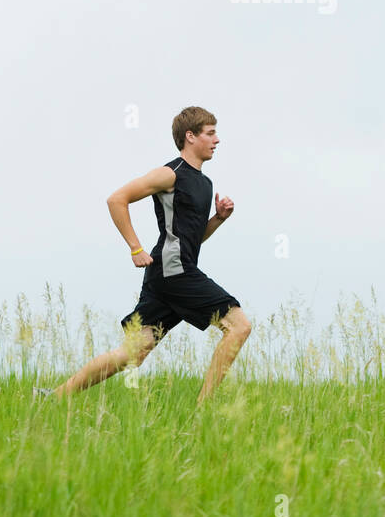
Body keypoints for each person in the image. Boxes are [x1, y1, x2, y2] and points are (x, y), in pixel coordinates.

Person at [39, 107, 251, 406]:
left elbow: (192, 239)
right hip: (173, 270)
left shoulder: (204, 183)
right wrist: (135, 248)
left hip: (170, 272)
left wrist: (218, 219)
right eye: (210, 133)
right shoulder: (169, 173)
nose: (217, 139)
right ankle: (204, 409)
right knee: (239, 326)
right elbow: (116, 199)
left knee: (133, 353)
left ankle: (52, 399)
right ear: (190, 137)